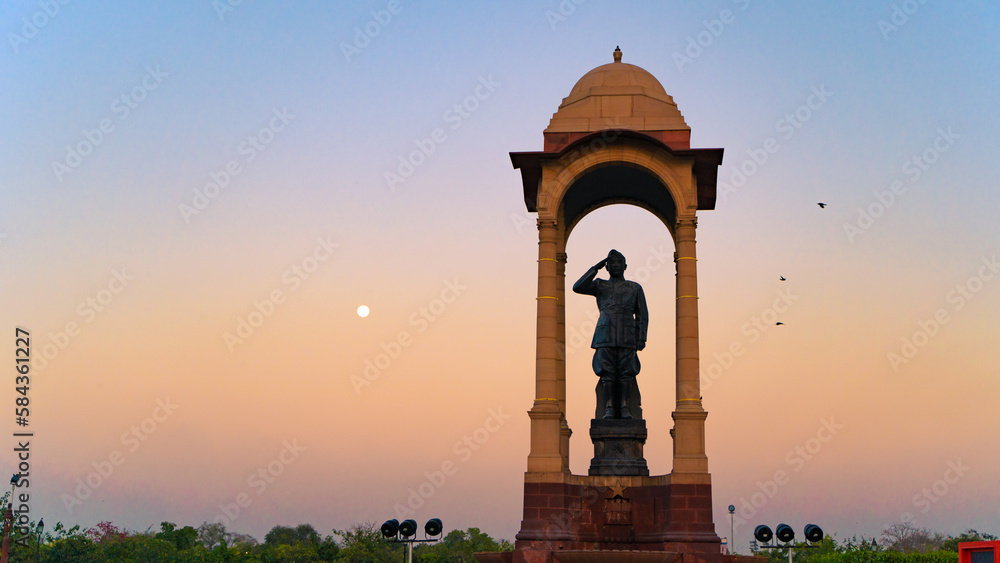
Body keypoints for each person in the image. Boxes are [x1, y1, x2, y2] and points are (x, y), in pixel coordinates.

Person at [572, 249, 648, 419]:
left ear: (625, 266)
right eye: (611, 263)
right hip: (605, 335)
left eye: (619, 263)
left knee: (626, 373)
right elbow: (577, 287)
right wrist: (595, 268)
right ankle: (609, 408)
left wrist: (641, 337)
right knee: (607, 374)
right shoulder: (600, 285)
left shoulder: (634, 288)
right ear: (607, 267)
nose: (615, 265)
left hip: (627, 336)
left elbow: (643, 315)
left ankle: (625, 408)